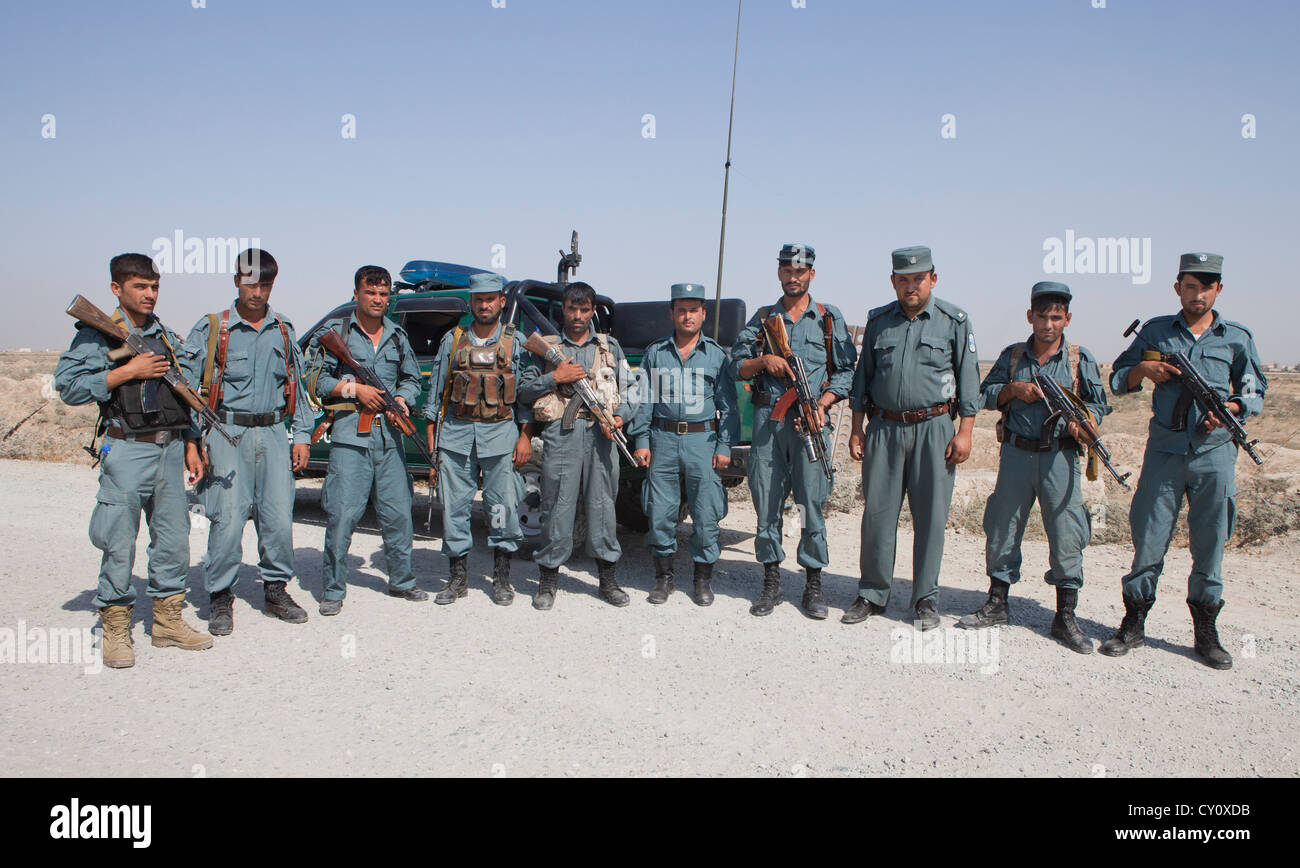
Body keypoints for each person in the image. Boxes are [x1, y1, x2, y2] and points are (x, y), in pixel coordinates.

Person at [1100, 253, 1266, 669]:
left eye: (1207, 287)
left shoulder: (1236, 337)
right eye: (1190, 286)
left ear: (1218, 290)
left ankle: (1206, 634)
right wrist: (1144, 369)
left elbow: (1255, 391)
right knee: (1149, 540)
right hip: (1165, 454)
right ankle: (1133, 623)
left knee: (1210, 546)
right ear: (1178, 288)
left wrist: (1231, 406)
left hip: (1215, 456)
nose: (1198, 295)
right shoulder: (1157, 331)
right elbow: (1119, 381)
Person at [54, 253, 212, 668]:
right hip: (126, 448)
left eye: (154, 286)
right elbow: (67, 388)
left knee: (174, 539)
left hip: (170, 448)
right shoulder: (96, 336)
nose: (149, 294)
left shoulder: (165, 335)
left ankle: (167, 621)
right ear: (116, 289)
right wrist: (125, 369)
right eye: (140, 286)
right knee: (119, 542)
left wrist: (193, 442)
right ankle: (116, 628)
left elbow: (181, 394)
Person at [957, 282, 1110, 653]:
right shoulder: (1013, 357)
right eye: (1042, 316)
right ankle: (997, 602)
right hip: (1016, 454)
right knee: (1003, 524)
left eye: (1056, 317)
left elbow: (1099, 405)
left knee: (1067, 530)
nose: (1048, 324)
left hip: (1060, 455)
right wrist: (1014, 390)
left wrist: (1082, 424)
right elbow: (984, 394)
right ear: (1030, 316)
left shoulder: (1078, 360)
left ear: (1067, 319)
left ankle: (1066, 615)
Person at [845, 246, 980, 630]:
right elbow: (862, 381)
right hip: (884, 429)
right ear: (893, 282)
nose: (910, 286)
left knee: (931, 518)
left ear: (932, 279)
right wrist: (857, 428)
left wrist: (965, 432)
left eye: (918, 278)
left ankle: (925, 599)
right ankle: (872, 593)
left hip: (934, 430)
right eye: (902, 279)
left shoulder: (954, 321)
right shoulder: (879, 322)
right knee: (877, 516)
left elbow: (969, 381)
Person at [181, 249, 315, 635]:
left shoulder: (285, 329)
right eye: (251, 282)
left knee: (277, 517)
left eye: (266, 284)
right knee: (226, 518)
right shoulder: (212, 329)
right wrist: (193, 442)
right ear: (236, 280)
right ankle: (221, 597)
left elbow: (299, 387)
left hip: (273, 433)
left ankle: (276, 590)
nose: (257, 292)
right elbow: (188, 391)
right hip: (227, 434)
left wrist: (301, 436)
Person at [732, 244, 857, 619]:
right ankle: (771, 582)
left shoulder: (827, 319)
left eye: (800, 271)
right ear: (779, 273)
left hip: (810, 422)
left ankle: (813, 584)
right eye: (787, 270)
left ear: (811, 275)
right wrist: (763, 361)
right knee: (766, 501)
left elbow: (846, 372)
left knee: (811, 503)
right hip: (770, 423)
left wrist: (821, 404)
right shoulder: (762, 319)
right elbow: (738, 366)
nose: (793, 277)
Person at [308, 265, 425, 615]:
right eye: (371, 292)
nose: (378, 299)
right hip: (349, 440)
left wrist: (402, 399)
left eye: (384, 293)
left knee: (399, 514)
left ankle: (401, 581)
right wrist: (353, 388)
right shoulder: (337, 334)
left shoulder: (398, 337)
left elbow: (412, 380)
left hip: (389, 440)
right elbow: (314, 379)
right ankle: (332, 589)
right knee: (342, 515)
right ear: (356, 294)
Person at [516, 282, 636, 610]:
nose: (578, 316)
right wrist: (555, 378)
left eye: (585, 310)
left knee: (603, 507)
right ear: (564, 310)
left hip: (602, 436)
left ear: (593, 311)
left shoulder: (609, 347)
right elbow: (523, 392)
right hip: (562, 435)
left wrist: (619, 417)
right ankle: (548, 580)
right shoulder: (548, 347)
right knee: (557, 505)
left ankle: (608, 579)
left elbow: (632, 388)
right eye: (572, 308)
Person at [628, 283, 741, 606]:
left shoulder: (716, 356)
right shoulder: (656, 353)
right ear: (671, 313)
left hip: (702, 441)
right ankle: (663, 579)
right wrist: (641, 439)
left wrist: (724, 445)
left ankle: (702, 580)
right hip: (662, 440)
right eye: (681, 309)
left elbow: (729, 406)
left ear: (704, 314)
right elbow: (644, 399)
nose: (687, 316)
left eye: (693, 310)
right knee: (660, 513)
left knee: (706, 514)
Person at [424, 273, 533, 606]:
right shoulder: (453, 340)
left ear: (502, 301)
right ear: (471, 302)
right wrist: (433, 446)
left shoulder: (516, 340)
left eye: (490, 299)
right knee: (455, 509)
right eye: (478, 299)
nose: (484, 305)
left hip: (501, 436)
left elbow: (526, 396)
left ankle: (501, 579)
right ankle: (457, 580)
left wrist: (525, 436)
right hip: (456, 437)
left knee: (501, 507)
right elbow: (437, 395)